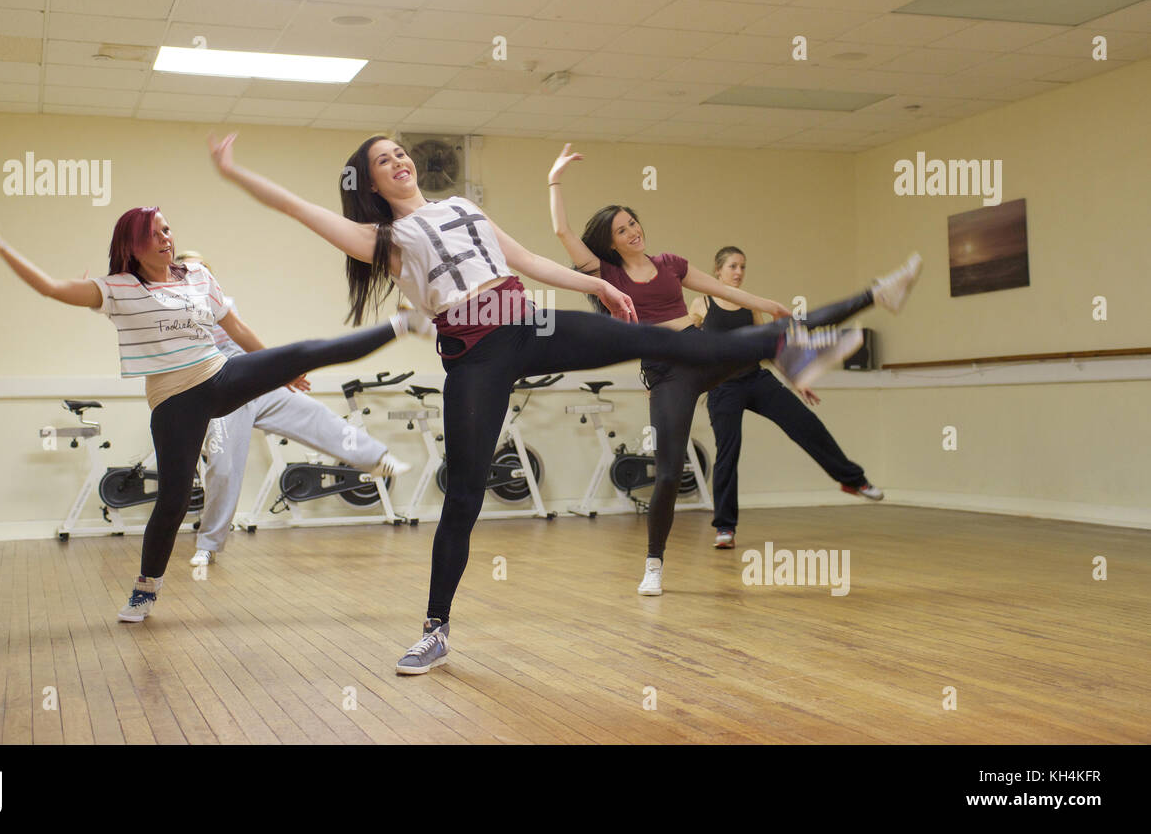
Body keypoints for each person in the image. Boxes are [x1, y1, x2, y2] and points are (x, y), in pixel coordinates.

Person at [208, 132, 873, 674]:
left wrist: (603, 288)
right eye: (383, 160)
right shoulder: (383, 240)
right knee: (465, 495)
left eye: (400, 151)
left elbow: (525, 258)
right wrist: (237, 172)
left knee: (669, 341)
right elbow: (299, 209)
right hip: (476, 355)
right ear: (371, 184)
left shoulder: (465, 208)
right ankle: (435, 630)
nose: (400, 160)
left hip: (529, 322)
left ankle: (798, 343)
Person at [0, 204, 430, 622]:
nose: (167, 238)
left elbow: (237, 327)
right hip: (174, 403)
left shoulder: (199, 278)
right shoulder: (117, 289)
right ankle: (145, 591)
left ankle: (402, 322)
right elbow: (51, 289)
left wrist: (280, 371)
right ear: (133, 245)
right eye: (156, 233)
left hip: (220, 376)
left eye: (168, 229)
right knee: (174, 498)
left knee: (304, 351)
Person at [548, 149, 921, 595]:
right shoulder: (607, 275)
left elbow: (722, 289)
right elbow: (562, 232)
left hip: (704, 350)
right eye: (622, 229)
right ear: (610, 242)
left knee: (784, 331)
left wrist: (765, 305)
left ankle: (879, 293)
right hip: (668, 373)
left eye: (634, 222)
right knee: (668, 473)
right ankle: (653, 564)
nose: (633, 232)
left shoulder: (671, 264)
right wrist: (555, 181)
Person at [172, 250, 411, 567]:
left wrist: (282, 373)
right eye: (188, 270)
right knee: (223, 467)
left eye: (202, 269)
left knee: (313, 414)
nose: (197, 274)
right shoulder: (170, 311)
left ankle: (376, 458)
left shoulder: (221, 301)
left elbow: (243, 337)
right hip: (222, 391)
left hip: (252, 378)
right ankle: (208, 544)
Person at [692, 246, 884, 550]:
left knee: (805, 423)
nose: (739, 272)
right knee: (728, 453)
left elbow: (770, 348)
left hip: (756, 379)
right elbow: (688, 346)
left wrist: (798, 379)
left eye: (743, 266)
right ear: (718, 270)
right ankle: (725, 528)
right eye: (732, 266)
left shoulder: (751, 306)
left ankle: (853, 479)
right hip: (723, 388)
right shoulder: (701, 304)